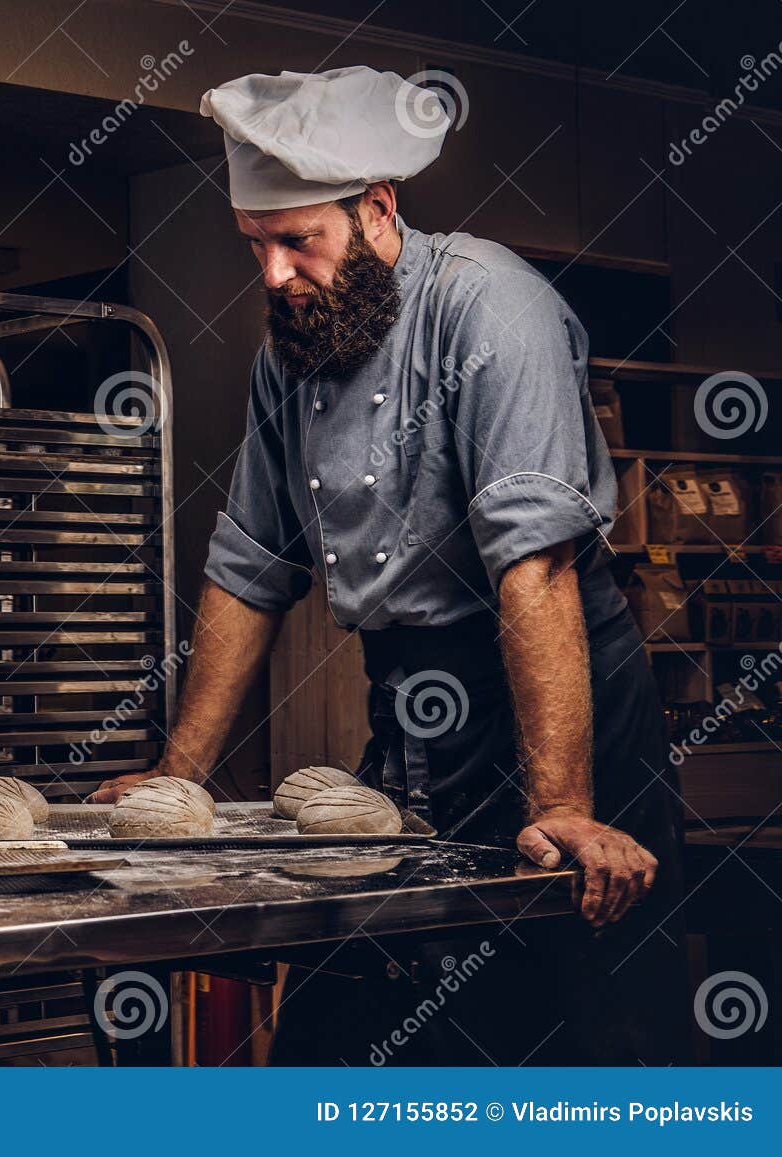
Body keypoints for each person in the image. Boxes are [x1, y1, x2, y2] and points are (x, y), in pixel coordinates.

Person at [91, 67, 687, 1064]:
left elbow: (530, 574)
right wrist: (177, 774)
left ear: (375, 208)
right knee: (356, 1017)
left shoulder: (490, 308)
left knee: (573, 1027)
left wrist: (561, 809)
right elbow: (248, 564)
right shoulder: (287, 352)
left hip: (553, 700)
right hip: (411, 710)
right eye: (256, 245)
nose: (273, 275)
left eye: (296, 241)